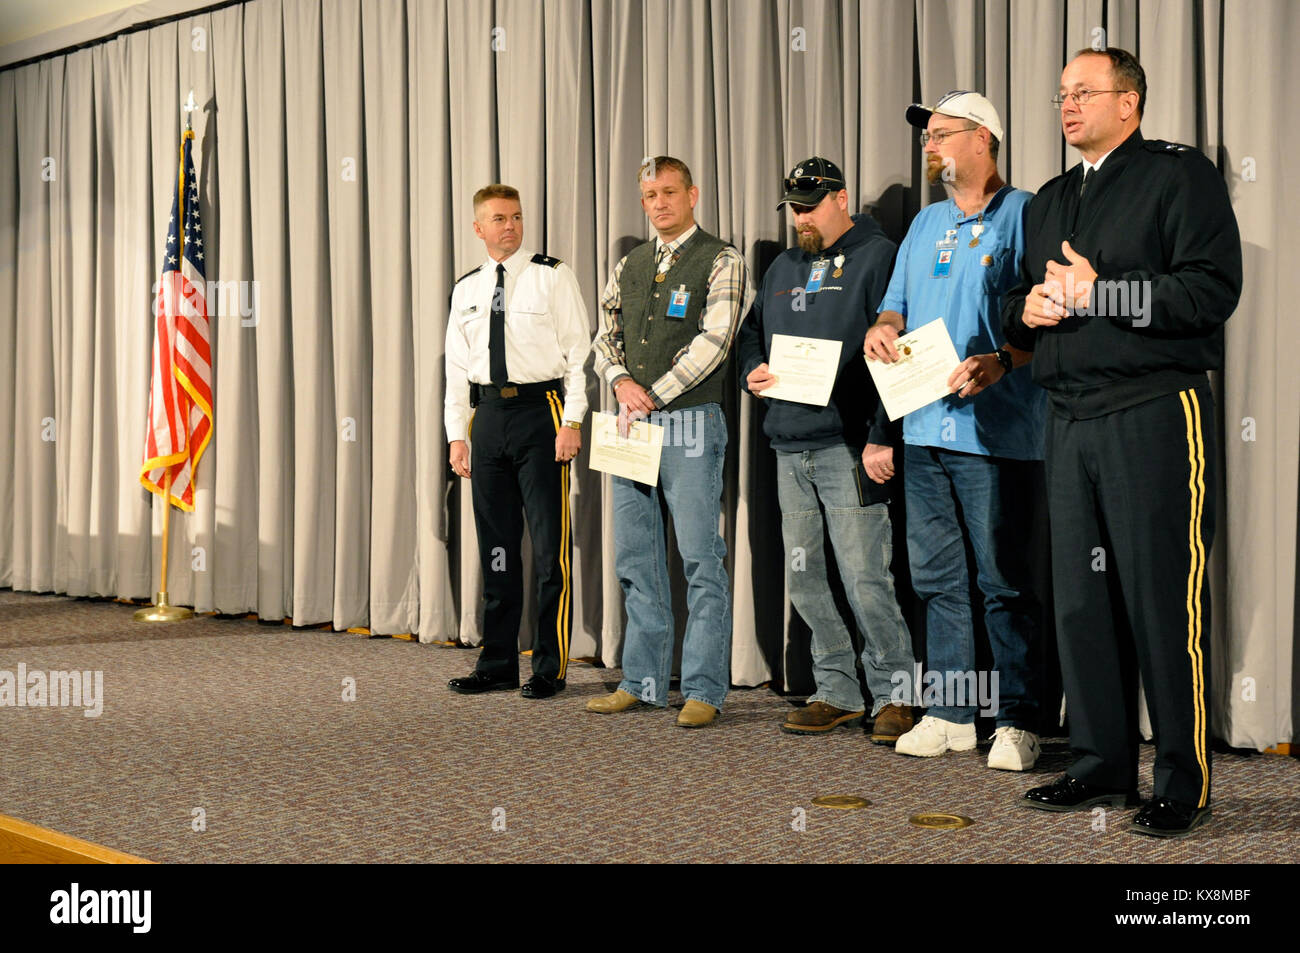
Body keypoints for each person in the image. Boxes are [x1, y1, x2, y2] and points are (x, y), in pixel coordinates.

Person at [1002, 49, 1242, 835]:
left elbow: (1210, 291)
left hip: (1153, 413)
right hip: (1066, 419)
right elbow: (1015, 298)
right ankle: (1100, 765)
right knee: (1081, 603)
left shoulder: (1180, 178)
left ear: (1130, 103)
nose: (1067, 106)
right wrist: (1026, 313)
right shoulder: (1049, 200)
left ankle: (1182, 778)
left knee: (1161, 597)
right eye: (1061, 94)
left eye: (1084, 92)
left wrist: (1102, 291)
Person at [863, 93, 1046, 769]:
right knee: (937, 577)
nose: (930, 146)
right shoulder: (925, 223)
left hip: (998, 433)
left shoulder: (1026, 213)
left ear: (983, 140)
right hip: (924, 429)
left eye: (942, 134)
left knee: (1003, 580)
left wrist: (1004, 362)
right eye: (928, 136)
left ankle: (1020, 718)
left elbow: (1047, 317)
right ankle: (949, 710)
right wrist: (881, 330)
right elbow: (894, 305)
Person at [739, 156, 917, 743]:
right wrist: (752, 370)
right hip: (789, 446)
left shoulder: (879, 255)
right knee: (806, 575)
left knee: (867, 575)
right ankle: (836, 689)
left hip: (849, 444)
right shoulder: (783, 265)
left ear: (841, 198)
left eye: (809, 207)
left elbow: (898, 349)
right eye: (792, 208)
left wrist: (881, 435)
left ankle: (895, 693)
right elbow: (750, 335)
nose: (799, 219)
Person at [587, 155, 749, 728]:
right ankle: (644, 681)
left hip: (691, 425)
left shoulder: (722, 259)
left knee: (701, 559)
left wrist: (650, 392)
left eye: (670, 192)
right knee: (637, 560)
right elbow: (604, 336)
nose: (659, 203)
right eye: (650, 195)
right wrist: (622, 383)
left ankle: (705, 689)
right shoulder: (629, 264)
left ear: (693, 194)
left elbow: (716, 340)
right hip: (629, 423)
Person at [444, 184, 591, 700]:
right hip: (487, 418)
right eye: (499, 219)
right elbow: (456, 372)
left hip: (540, 413)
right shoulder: (466, 289)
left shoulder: (552, 275)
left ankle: (549, 668)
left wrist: (571, 421)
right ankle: (498, 661)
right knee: (498, 549)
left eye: (517, 217)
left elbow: (578, 354)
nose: (509, 226)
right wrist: (456, 437)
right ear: (479, 228)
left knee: (550, 549)